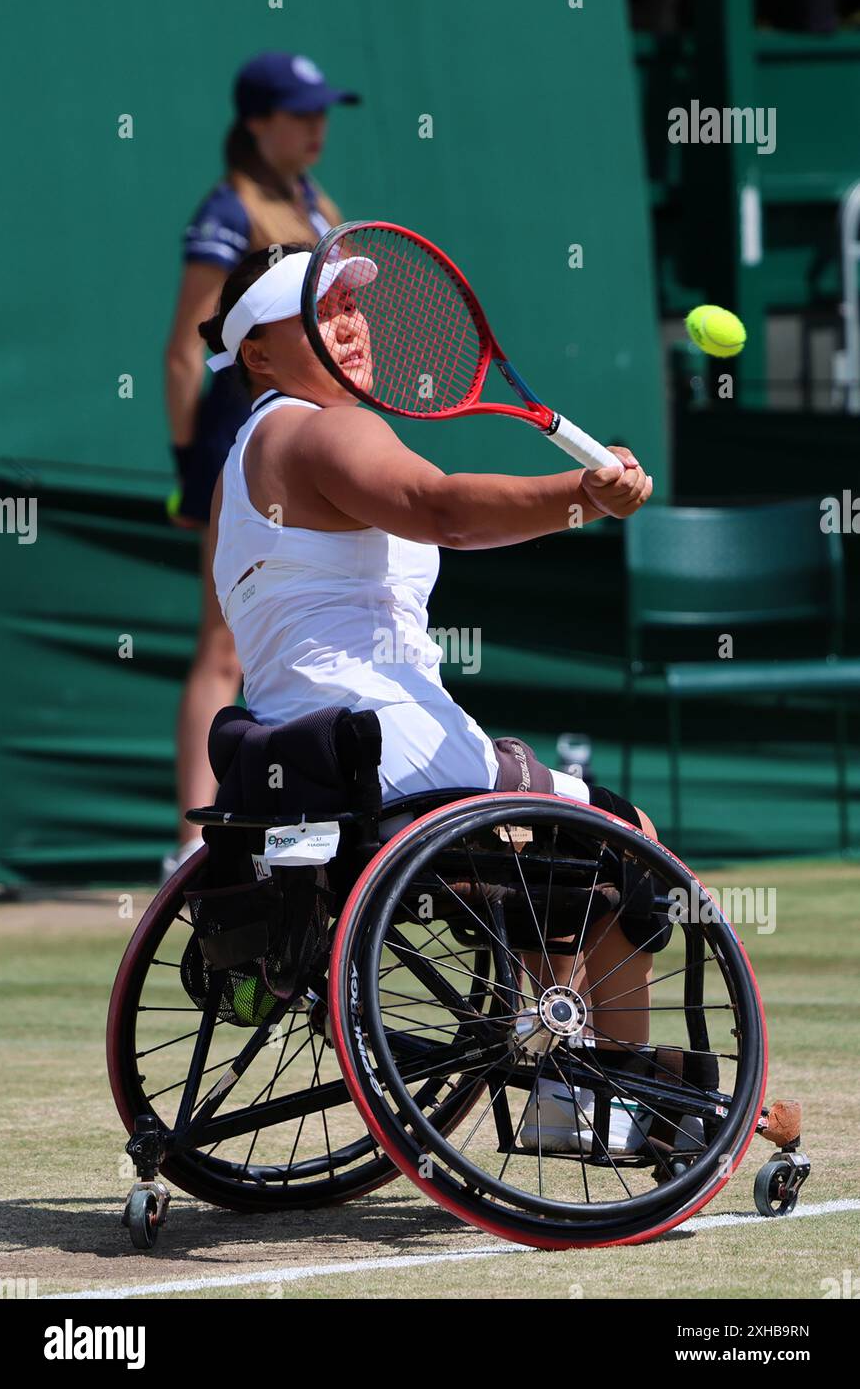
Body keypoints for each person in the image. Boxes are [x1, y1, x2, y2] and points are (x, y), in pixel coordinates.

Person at [201, 245, 662, 1155]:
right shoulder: (325, 429)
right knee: (624, 834)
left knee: (550, 857)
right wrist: (580, 496)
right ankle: (609, 1107)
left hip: (306, 754)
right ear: (258, 352)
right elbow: (441, 507)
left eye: (353, 306)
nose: (352, 324)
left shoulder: (240, 464)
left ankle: (574, 1085)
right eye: (322, 311)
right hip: (392, 754)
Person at [162, 53, 357, 878]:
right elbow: (183, 351)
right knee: (222, 649)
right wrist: (187, 467)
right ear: (256, 123)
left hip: (310, 442)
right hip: (238, 451)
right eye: (297, 113)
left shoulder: (316, 204)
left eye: (321, 112)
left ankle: (305, 815)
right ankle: (193, 847)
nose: (315, 127)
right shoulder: (226, 211)